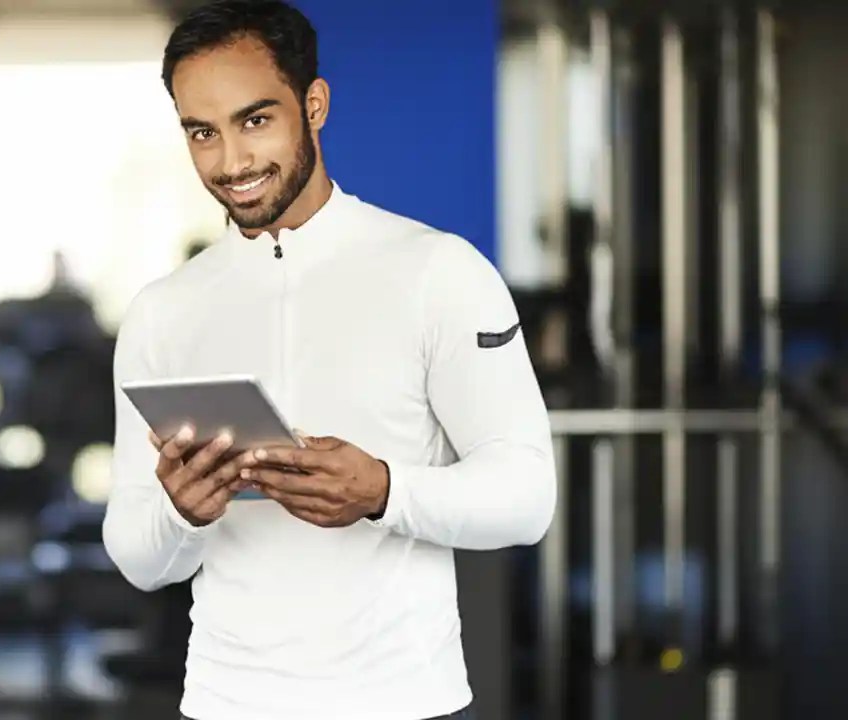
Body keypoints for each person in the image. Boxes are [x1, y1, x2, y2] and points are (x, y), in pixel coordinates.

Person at [102, 2, 557, 719]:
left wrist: (383, 491)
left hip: (405, 704)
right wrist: (180, 515)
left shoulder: (439, 271)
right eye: (203, 133)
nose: (233, 162)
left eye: (256, 121)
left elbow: (527, 496)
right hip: (226, 704)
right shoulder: (165, 311)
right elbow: (137, 554)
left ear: (313, 104)